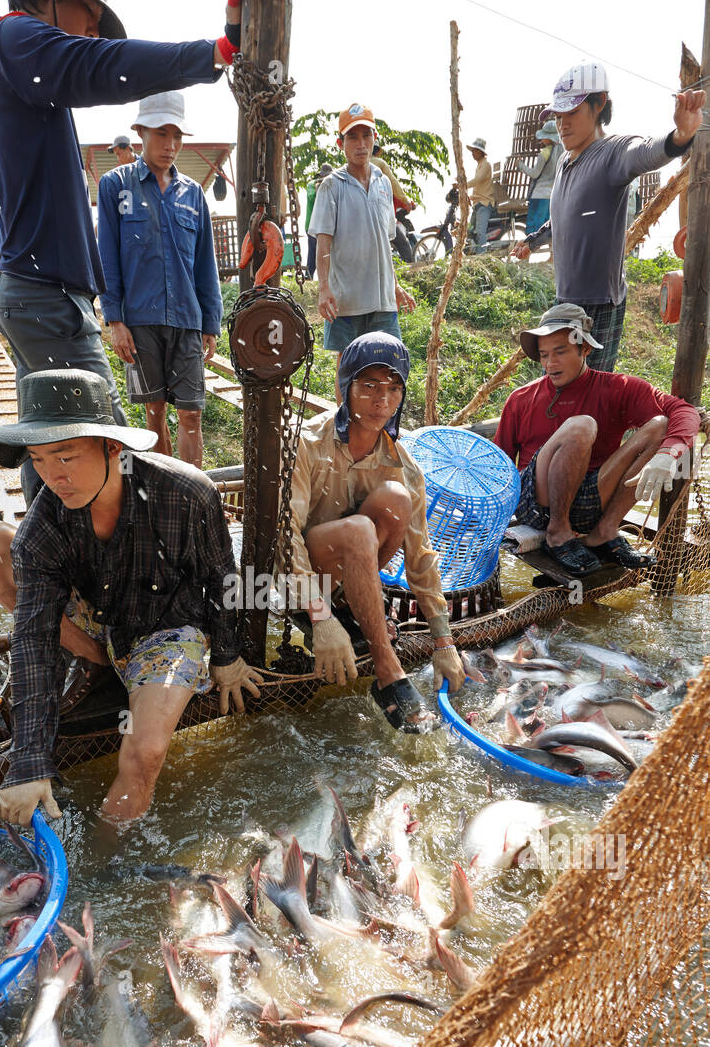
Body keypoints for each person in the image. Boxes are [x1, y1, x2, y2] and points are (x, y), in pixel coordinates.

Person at [0, 0, 253, 504]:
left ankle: (45, 573)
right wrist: (219, 49)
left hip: (38, 295)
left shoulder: (27, 89)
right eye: (90, 11)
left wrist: (16, 258)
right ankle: (103, 579)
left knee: (53, 446)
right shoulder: (15, 37)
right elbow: (97, 66)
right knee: (108, 447)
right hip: (48, 301)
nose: (94, 27)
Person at [0, 368, 262, 828]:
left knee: (143, 752)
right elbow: (33, 638)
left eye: (65, 456)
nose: (53, 476)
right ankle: (96, 663)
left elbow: (221, 576)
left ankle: (108, 865)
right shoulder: (42, 530)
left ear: (113, 447)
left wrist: (227, 656)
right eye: (39, 460)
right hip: (93, 620)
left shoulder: (186, 493)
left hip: (168, 627)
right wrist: (29, 762)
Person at [287, 332, 465, 732]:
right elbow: (285, 535)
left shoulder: (403, 463)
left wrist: (443, 640)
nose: (381, 400)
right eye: (368, 386)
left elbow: (420, 553)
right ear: (344, 387)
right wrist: (320, 618)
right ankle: (388, 671)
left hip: (349, 574)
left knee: (395, 498)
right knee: (356, 530)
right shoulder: (307, 444)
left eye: (393, 388)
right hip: (300, 581)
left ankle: (354, 607)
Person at [516, 61, 704, 371]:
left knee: (592, 395)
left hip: (599, 304)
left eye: (572, 113)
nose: (563, 124)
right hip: (564, 299)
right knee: (559, 385)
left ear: (599, 102)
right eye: (559, 116)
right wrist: (533, 241)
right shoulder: (565, 161)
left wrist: (680, 137)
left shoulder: (612, 153)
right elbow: (563, 216)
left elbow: (644, 152)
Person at [494, 304, 700, 578]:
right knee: (583, 425)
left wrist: (668, 453)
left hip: (592, 500)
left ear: (585, 349)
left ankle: (604, 532)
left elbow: (682, 410)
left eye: (561, 351)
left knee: (659, 425)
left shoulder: (617, 388)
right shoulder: (521, 398)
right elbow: (497, 465)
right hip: (538, 505)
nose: (550, 363)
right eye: (544, 355)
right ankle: (557, 532)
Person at [98, 91, 222, 471]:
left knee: (191, 414)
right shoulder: (115, 186)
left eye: (177, 136)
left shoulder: (193, 195)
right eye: (161, 134)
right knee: (154, 411)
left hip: (186, 319)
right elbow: (108, 259)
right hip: (138, 321)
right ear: (140, 133)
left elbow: (205, 264)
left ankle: (195, 492)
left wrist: (210, 323)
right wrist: (116, 321)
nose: (170, 145)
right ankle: (168, 488)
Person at [309, 104, 416, 404]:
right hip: (347, 300)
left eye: (365, 135)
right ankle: (345, 427)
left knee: (388, 367)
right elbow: (324, 243)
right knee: (348, 366)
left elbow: (385, 242)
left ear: (374, 138)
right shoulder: (332, 186)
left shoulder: (383, 184)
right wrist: (324, 288)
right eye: (352, 137)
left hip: (382, 299)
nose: (360, 143)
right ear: (341, 144)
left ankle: (380, 433)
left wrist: (394, 287)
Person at [518, 119, 562, 238]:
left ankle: (528, 252)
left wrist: (521, 166)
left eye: (544, 137)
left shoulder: (545, 153)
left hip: (539, 194)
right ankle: (551, 254)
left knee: (533, 226)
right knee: (548, 225)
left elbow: (534, 174)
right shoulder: (562, 151)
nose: (542, 140)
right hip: (552, 194)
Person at [465, 137, 496, 253]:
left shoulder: (486, 164)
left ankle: (481, 257)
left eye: (475, 151)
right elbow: (478, 187)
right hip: (478, 203)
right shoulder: (479, 165)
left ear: (481, 152)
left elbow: (478, 180)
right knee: (470, 230)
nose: (473, 153)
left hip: (485, 203)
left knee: (480, 231)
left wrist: (463, 185)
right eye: (472, 151)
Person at [304, 163, 331, 279]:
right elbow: (312, 197)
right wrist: (320, 187)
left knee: (326, 253)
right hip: (311, 225)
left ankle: (326, 278)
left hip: (325, 225)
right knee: (313, 253)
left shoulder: (331, 186)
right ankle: (309, 276)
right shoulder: (312, 184)